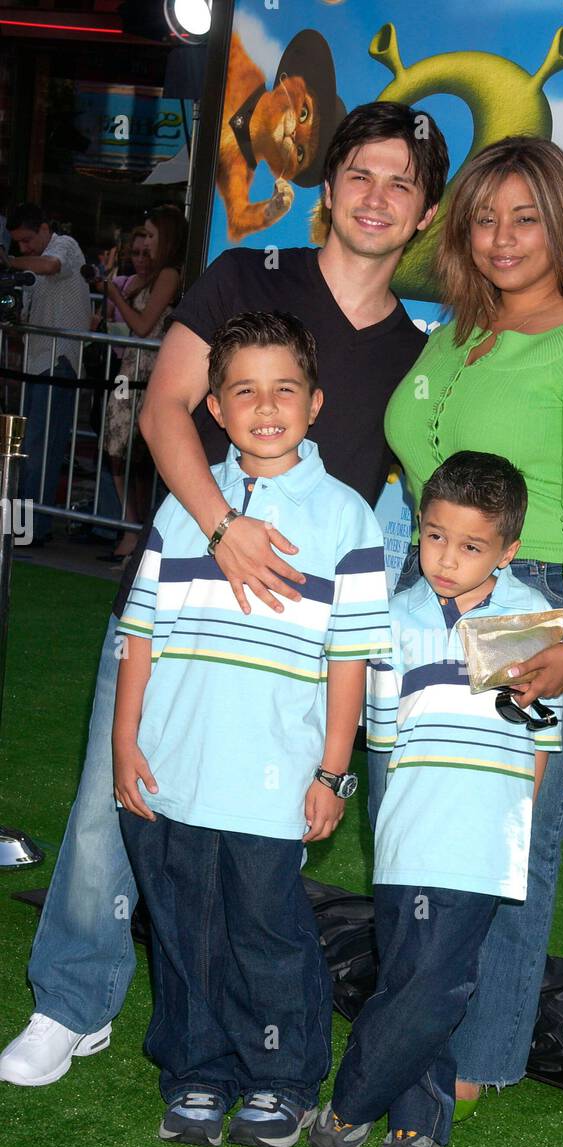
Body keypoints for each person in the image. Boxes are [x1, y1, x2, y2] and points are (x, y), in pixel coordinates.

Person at [0, 100, 448, 1089]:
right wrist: (219, 526)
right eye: (361, 175)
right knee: (107, 804)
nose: (377, 197)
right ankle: (72, 1000)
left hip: (293, 653)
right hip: (182, 595)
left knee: (257, 845)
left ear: (423, 215)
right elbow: (165, 409)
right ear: (328, 187)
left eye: (401, 184)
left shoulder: (419, 354)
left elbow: (417, 503)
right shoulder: (250, 275)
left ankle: (239, 1040)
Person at [376, 136, 563, 1114]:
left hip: (536, 595)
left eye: (525, 217)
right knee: (412, 809)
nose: (501, 238)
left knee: (506, 825)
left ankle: (480, 1052)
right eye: (483, 217)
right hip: (429, 584)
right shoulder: (451, 333)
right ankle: (412, 1016)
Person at [113, 310, 390, 1147]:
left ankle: (280, 1079)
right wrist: (125, 743)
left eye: (283, 390)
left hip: (272, 783)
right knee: (184, 934)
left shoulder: (349, 521)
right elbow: (140, 638)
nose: (264, 407)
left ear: (314, 405)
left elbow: (352, 660)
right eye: (243, 391)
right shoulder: (182, 512)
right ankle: (197, 1075)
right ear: (217, 411)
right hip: (170, 776)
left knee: (269, 937)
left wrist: (332, 772)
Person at [309, 452, 561, 1147]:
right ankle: (416, 1123)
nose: (446, 559)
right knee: (411, 978)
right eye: (433, 537)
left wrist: (510, 825)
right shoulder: (391, 619)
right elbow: (383, 743)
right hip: (407, 835)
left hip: (482, 840)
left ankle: (351, 1105)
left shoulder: (531, 627)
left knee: (437, 980)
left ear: (509, 550)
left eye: (471, 545)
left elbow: (541, 742)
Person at [99, 206, 186, 563]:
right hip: (131, 370)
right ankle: (130, 526)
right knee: (118, 449)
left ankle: (135, 531)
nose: (146, 242)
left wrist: (113, 292)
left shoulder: (169, 274)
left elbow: (143, 325)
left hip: (148, 373)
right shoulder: (153, 275)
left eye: (151, 235)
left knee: (136, 454)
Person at [3, 203, 91, 543]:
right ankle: (23, 529)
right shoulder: (32, 267)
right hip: (38, 363)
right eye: (18, 244)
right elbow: (24, 320)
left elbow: (51, 265)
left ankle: (31, 530)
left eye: (27, 240)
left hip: (58, 363)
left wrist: (10, 263)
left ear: (44, 228)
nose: (23, 248)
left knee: (39, 449)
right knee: (28, 449)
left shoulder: (64, 245)